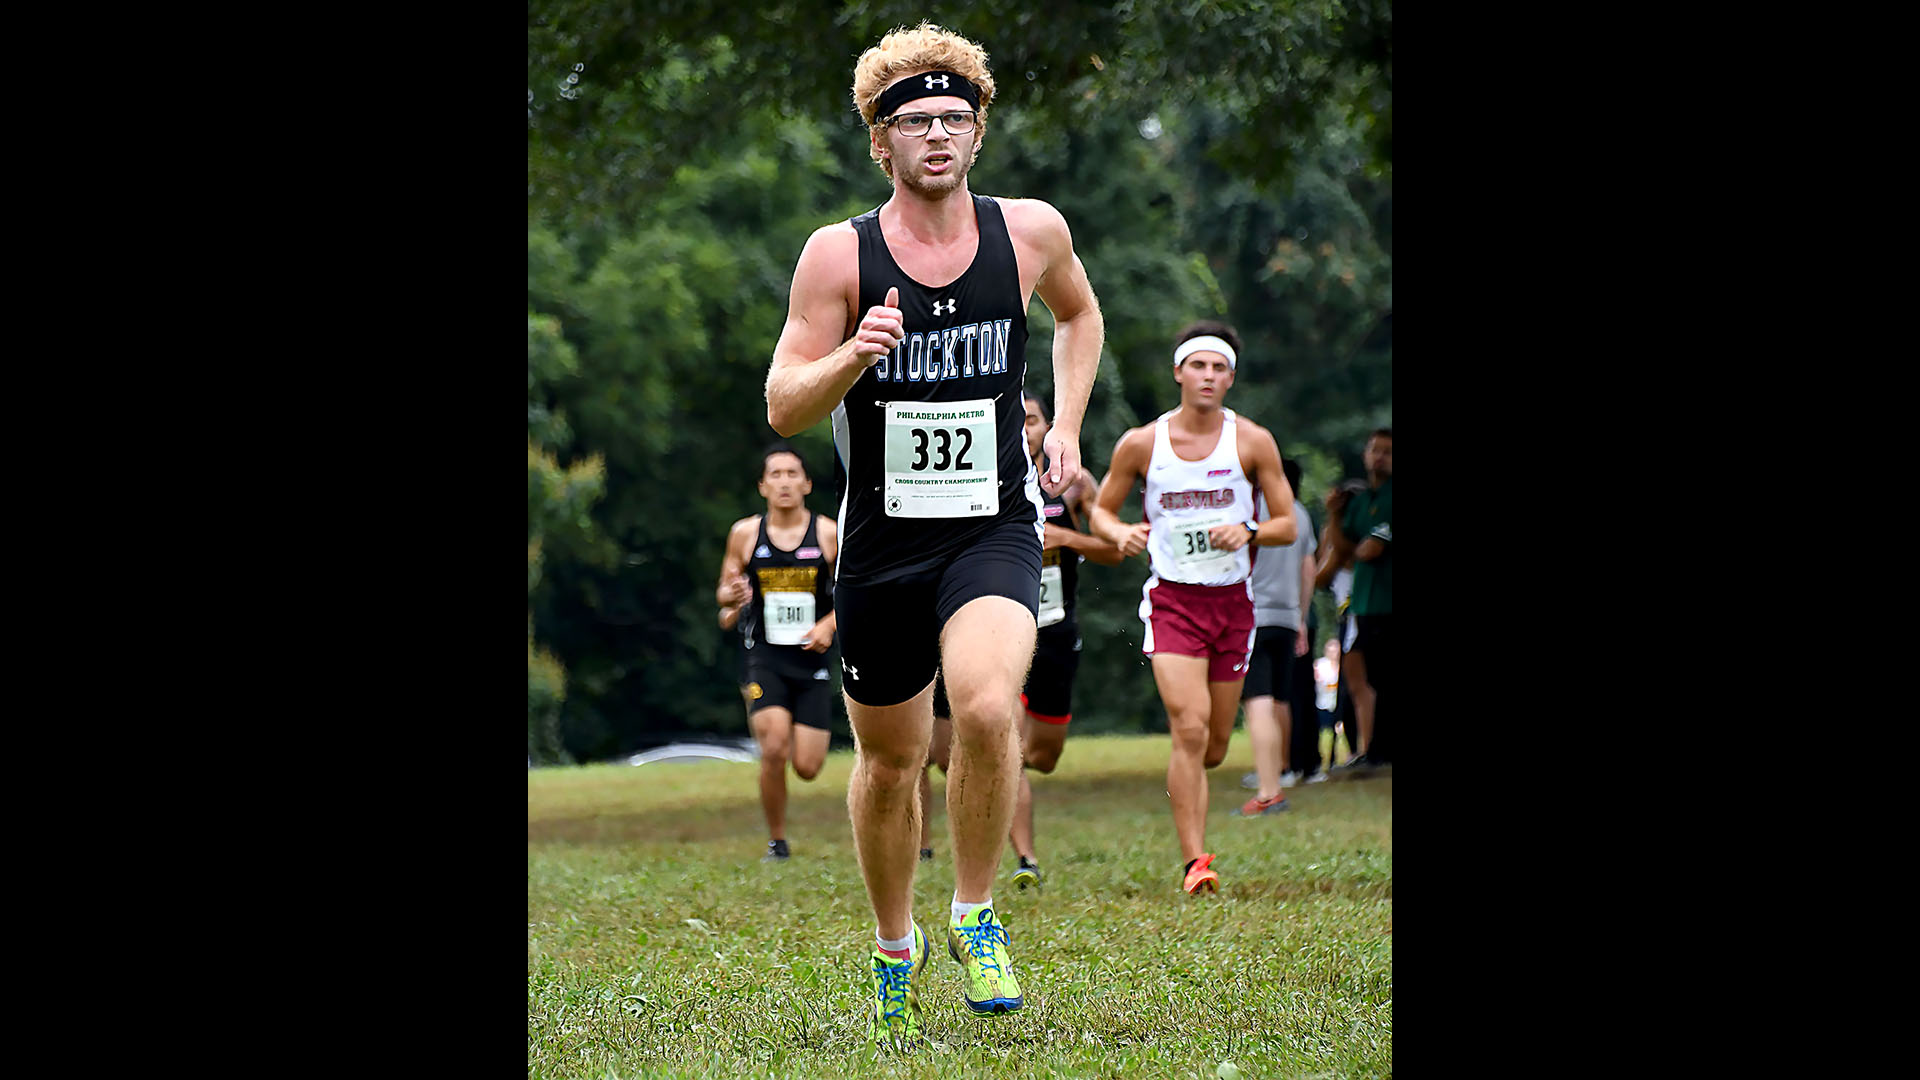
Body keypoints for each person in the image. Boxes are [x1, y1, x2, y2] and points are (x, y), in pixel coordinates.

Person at [763, 22, 1104, 1045]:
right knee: (890, 764)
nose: (939, 135)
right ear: (881, 142)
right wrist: (852, 356)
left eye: (957, 118)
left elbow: (1080, 318)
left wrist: (1067, 429)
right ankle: (892, 944)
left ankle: (976, 913)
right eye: (916, 123)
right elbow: (783, 404)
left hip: (993, 525)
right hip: (882, 542)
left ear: (980, 131)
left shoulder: (1028, 232)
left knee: (989, 707)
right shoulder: (838, 254)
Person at [1089, 320, 1296, 896]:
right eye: (1198, 365)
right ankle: (1194, 862)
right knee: (1189, 726)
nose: (1208, 376)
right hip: (1173, 601)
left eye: (1219, 368)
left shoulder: (1252, 441)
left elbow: (1286, 523)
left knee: (1214, 746)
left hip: (1232, 605)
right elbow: (1101, 510)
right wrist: (1119, 531)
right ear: (1178, 372)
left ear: (1231, 378)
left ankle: (1194, 797)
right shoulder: (1141, 443)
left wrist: (1248, 530)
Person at [715, 445, 840, 862]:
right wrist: (732, 595)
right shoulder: (745, 534)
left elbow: (854, 594)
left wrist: (828, 626)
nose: (784, 482)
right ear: (762, 486)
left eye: (792, 473)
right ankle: (778, 841)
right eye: (776, 474)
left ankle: (781, 834)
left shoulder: (828, 534)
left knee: (807, 766)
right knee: (773, 747)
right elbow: (724, 593)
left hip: (811, 659)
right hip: (763, 656)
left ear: (807, 483)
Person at [1233, 456, 1317, 815]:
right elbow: (1308, 568)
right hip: (1287, 616)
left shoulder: (1249, 510)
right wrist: (1301, 617)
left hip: (1253, 614)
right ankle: (1284, 768)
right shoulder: (1299, 513)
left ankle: (1268, 782)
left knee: (1258, 700)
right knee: (1281, 698)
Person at [1320, 428, 1392, 771]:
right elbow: (1343, 548)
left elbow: (1367, 550)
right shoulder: (1362, 503)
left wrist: (1355, 546)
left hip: (1387, 601)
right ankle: (1374, 751)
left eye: (1387, 452)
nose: (1379, 457)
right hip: (1364, 603)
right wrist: (1335, 515)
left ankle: (1379, 752)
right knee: (1370, 680)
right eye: (1374, 450)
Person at [1313, 637, 1343, 767]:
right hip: (1322, 704)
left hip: (1336, 705)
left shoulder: (1343, 666)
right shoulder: (1319, 666)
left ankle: (1334, 758)